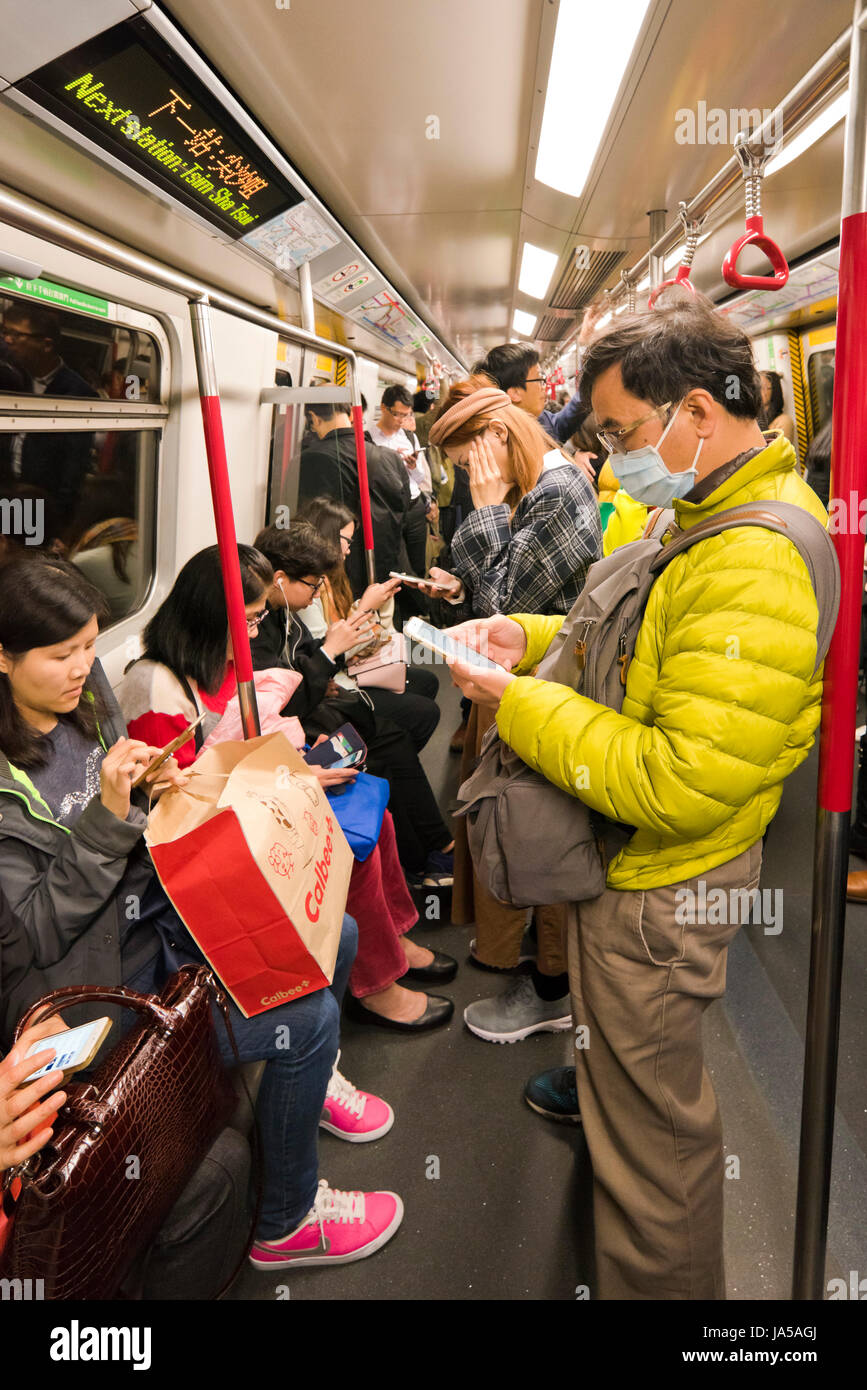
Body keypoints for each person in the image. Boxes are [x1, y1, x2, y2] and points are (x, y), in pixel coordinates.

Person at [446, 298, 828, 1299]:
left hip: (661, 886)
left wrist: (517, 703)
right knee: (631, 1104)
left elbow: (676, 776)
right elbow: (628, 643)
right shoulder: (705, 511)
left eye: (621, 433)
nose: (611, 462)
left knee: (654, 1159)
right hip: (640, 875)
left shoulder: (755, 562)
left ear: (697, 410)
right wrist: (526, 640)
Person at [0, 553, 403, 1272]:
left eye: (92, 645)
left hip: (149, 917)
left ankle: (307, 1090)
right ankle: (286, 1219)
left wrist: (155, 783)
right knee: (306, 1020)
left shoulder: (84, 697)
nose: (83, 666)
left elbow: (124, 802)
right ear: (3, 658)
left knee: (334, 934)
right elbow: (35, 930)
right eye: (61, 654)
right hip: (93, 993)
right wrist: (109, 814)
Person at [422, 378, 601, 1043]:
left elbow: (505, 604)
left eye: (467, 459)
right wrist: (461, 583)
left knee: (539, 832)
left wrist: (486, 508)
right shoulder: (543, 491)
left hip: (545, 691)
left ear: (497, 439)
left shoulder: (554, 493)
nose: (467, 475)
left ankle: (552, 986)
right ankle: (535, 959)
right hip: (528, 683)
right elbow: (503, 587)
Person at [251, 522, 456, 888]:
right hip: (292, 731)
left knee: (395, 735)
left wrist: (326, 658)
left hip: (317, 706)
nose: (317, 593)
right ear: (280, 578)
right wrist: (331, 652)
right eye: (313, 584)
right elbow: (284, 700)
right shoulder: (258, 624)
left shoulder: (281, 615)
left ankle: (426, 852)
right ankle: (431, 850)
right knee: (391, 742)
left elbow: (299, 667)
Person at [295, 494, 442, 741]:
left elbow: (338, 622)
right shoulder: (309, 586)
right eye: (346, 541)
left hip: (348, 669)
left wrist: (375, 603)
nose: (349, 549)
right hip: (337, 682)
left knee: (426, 682)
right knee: (424, 712)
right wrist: (365, 608)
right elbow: (328, 649)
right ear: (328, 535)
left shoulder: (332, 577)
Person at [0, 305, 98, 542]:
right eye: (4, 332)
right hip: (6, 490)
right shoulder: (11, 380)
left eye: (17, 335)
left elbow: (73, 470)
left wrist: (60, 524)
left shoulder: (77, 393)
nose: (7, 340)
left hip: (41, 504)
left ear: (46, 344)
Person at [298, 396, 410, 599]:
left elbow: (313, 521)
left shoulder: (314, 458)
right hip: (385, 569)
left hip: (343, 576)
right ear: (350, 414)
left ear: (313, 417)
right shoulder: (390, 457)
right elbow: (406, 507)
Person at [473, 303, 605, 447]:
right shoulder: (501, 446)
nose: (545, 386)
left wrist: (586, 344)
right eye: (539, 380)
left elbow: (579, 402)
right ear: (515, 393)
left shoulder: (542, 422)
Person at [369, 385, 435, 582]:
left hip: (413, 508)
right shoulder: (369, 437)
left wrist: (413, 466)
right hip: (387, 511)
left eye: (407, 415)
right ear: (383, 408)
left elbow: (419, 478)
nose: (402, 421)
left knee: (417, 563)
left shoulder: (409, 436)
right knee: (392, 563)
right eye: (398, 415)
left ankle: (416, 609)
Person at [758, 369, 796, 443]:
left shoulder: (784, 421)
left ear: (774, 390)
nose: (756, 390)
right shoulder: (753, 419)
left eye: (762, 387)